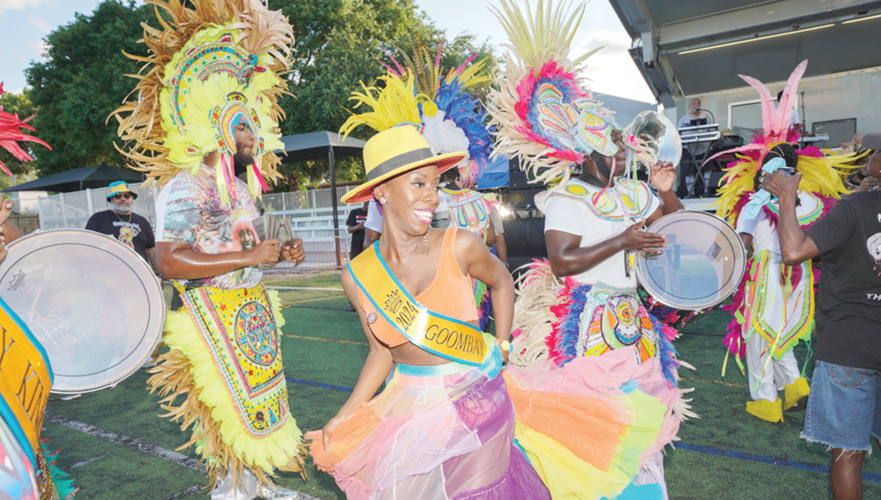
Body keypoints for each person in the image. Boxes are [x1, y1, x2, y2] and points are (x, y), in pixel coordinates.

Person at [486, 1, 689, 497]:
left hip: (631, 321)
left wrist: (663, 191)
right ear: (588, 150)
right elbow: (560, 261)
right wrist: (623, 239)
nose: (623, 156)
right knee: (598, 424)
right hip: (587, 327)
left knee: (641, 423)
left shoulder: (628, 193)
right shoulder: (566, 199)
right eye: (615, 148)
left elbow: (677, 226)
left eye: (624, 149)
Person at [112, 1, 307, 498]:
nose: (253, 135)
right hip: (209, 314)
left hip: (252, 309)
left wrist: (276, 255)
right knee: (225, 411)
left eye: (253, 125)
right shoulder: (185, 185)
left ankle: (256, 485)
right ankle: (231, 489)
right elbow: (167, 259)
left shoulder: (240, 190)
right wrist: (247, 258)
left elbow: (241, 247)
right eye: (244, 126)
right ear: (219, 125)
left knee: (258, 407)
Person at [307, 125, 550, 499]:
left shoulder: (460, 245)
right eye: (419, 184)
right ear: (381, 192)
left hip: (474, 398)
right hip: (406, 403)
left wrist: (502, 347)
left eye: (435, 185)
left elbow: (502, 281)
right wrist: (346, 413)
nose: (433, 198)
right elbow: (380, 352)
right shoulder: (357, 276)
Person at [709, 61, 859, 423]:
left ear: (766, 173)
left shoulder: (756, 202)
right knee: (783, 334)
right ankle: (795, 385)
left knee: (759, 335)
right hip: (802, 278)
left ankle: (766, 400)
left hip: (767, 277)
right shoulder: (814, 201)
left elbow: (738, 243)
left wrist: (714, 260)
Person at [761, 130, 881, 500]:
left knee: (848, 454)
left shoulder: (854, 208)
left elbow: (794, 251)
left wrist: (785, 197)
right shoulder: (857, 204)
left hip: (850, 346)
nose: (867, 158)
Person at [85, 181, 158, 273]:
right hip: (106, 274)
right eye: (118, 196)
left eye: (126, 196)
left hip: (138, 274)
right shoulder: (98, 218)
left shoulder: (142, 221)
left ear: (131, 199)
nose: (123, 199)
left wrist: (157, 274)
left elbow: (151, 249)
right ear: (111, 199)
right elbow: (87, 246)